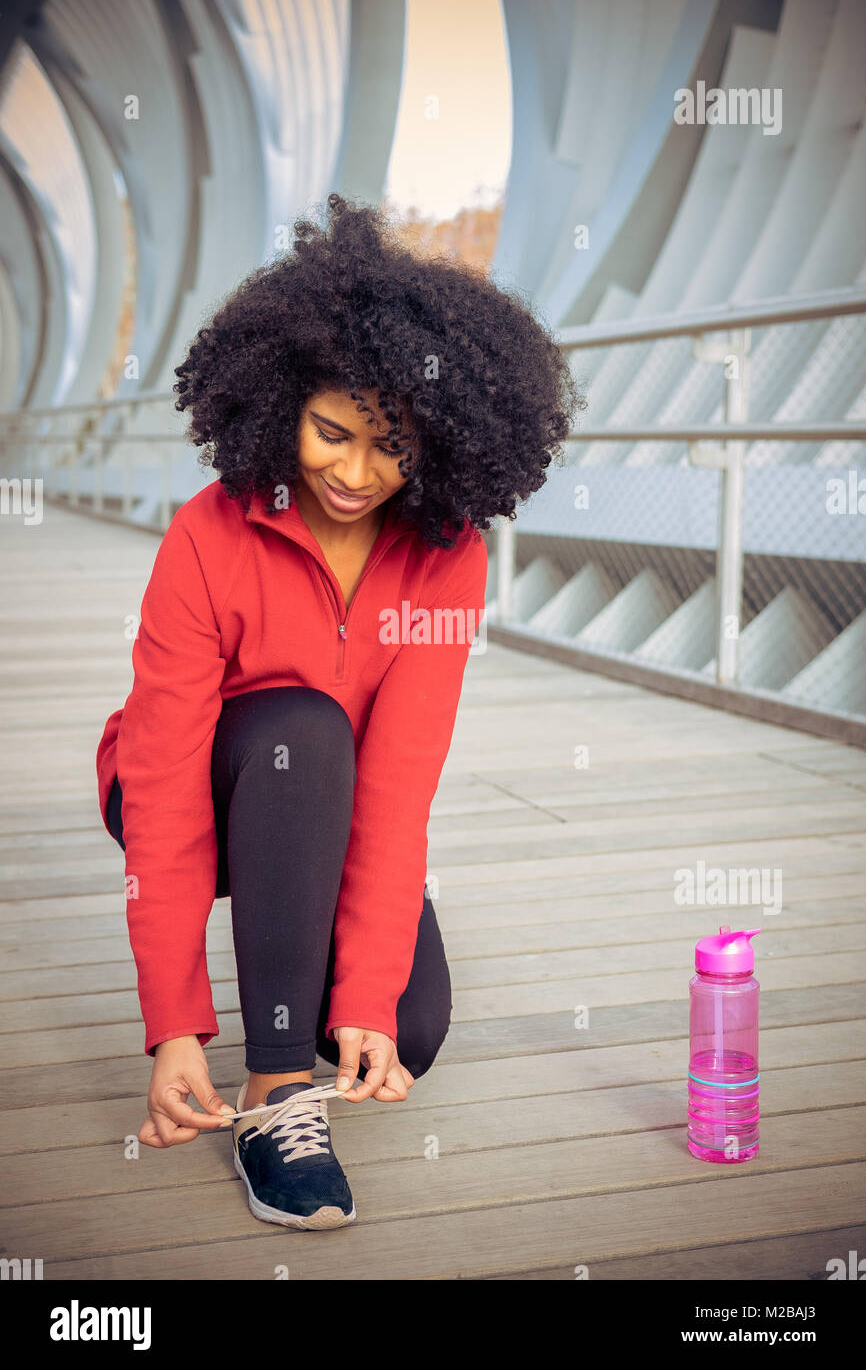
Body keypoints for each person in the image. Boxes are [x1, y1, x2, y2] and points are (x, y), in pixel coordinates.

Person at [95, 192, 581, 1230]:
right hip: (204, 788)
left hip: (338, 797)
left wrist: (361, 995)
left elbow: (399, 787)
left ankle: (317, 982)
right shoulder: (207, 534)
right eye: (329, 433)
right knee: (301, 730)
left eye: (391, 447)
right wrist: (173, 1022)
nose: (355, 475)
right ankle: (277, 1098)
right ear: (278, 400)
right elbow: (168, 780)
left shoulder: (446, 554)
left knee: (408, 1023)